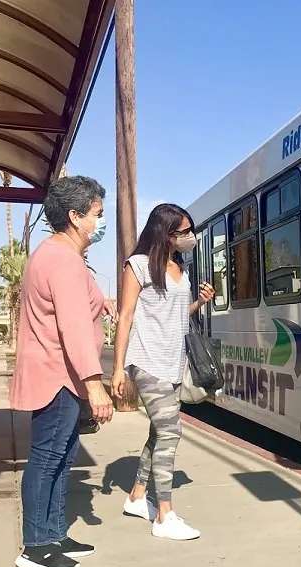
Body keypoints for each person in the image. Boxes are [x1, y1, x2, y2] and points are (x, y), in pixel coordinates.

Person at [11, 175, 115, 567]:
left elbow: (75, 306)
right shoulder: (63, 260)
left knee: (62, 456)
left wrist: (103, 303)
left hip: (61, 376)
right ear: (75, 216)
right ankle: (35, 545)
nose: (100, 222)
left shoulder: (59, 256)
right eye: (97, 214)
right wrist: (96, 386)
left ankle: (54, 532)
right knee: (48, 458)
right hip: (58, 376)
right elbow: (71, 325)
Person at [112, 203, 214, 540]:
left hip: (174, 362)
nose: (190, 237)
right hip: (147, 361)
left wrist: (199, 303)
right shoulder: (138, 266)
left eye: (189, 231)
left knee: (159, 433)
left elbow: (177, 316)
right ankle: (165, 516)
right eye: (183, 232)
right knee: (171, 432)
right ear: (164, 233)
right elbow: (125, 317)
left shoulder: (179, 268)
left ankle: (138, 496)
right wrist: (118, 368)